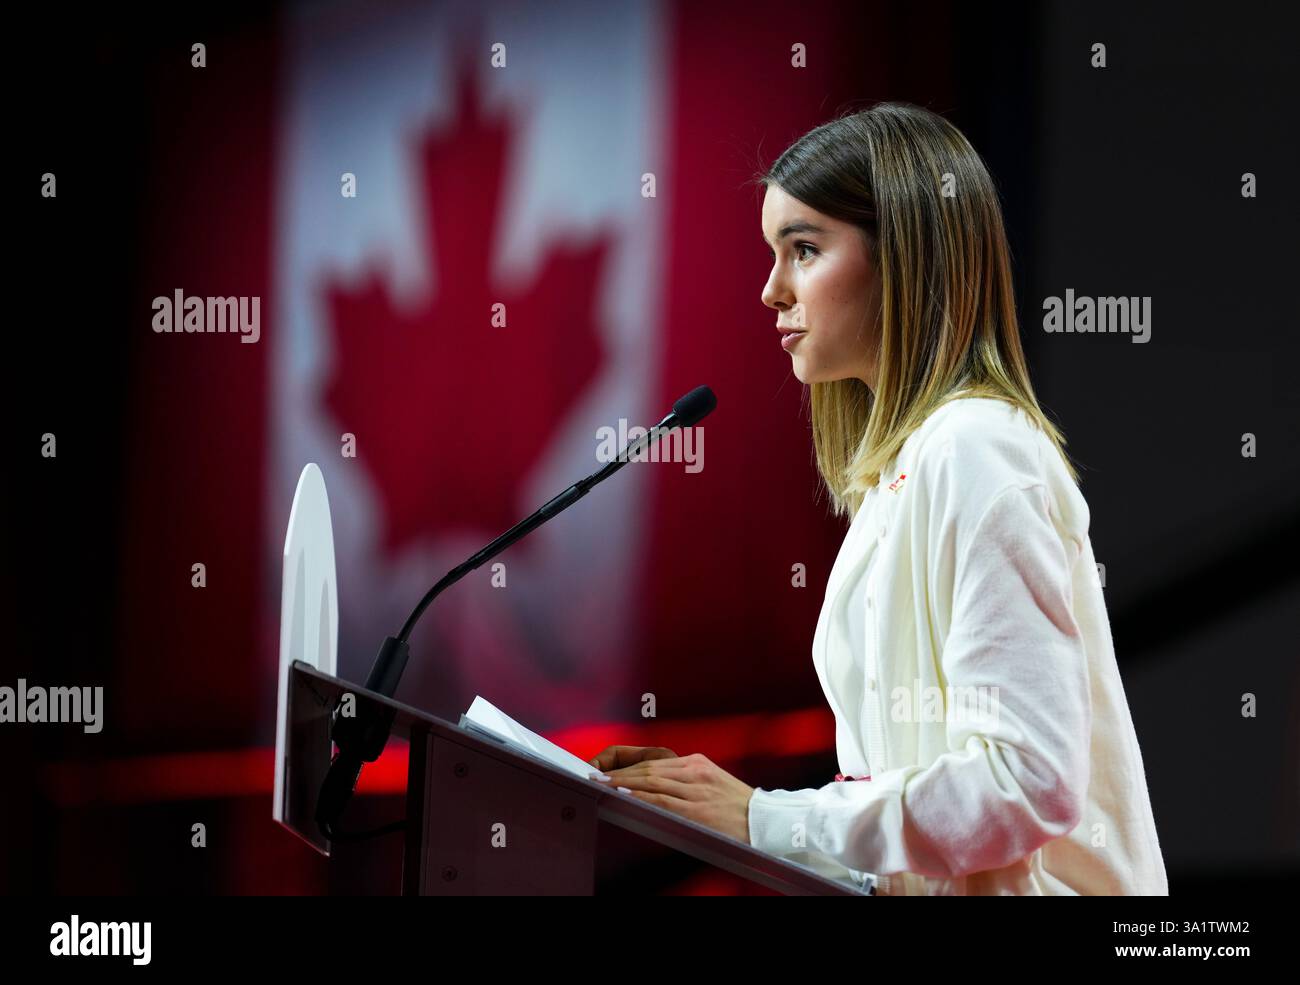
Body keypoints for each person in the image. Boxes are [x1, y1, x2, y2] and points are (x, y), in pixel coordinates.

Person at [589, 102, 1168, 896]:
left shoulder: (974, 449)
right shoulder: (907, 470)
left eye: (803, 249)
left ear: (906, 257)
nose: (770, 291)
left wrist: (766, 817)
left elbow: (1026, 781)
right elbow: (923, 846)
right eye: (773, 253)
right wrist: (721, 808)